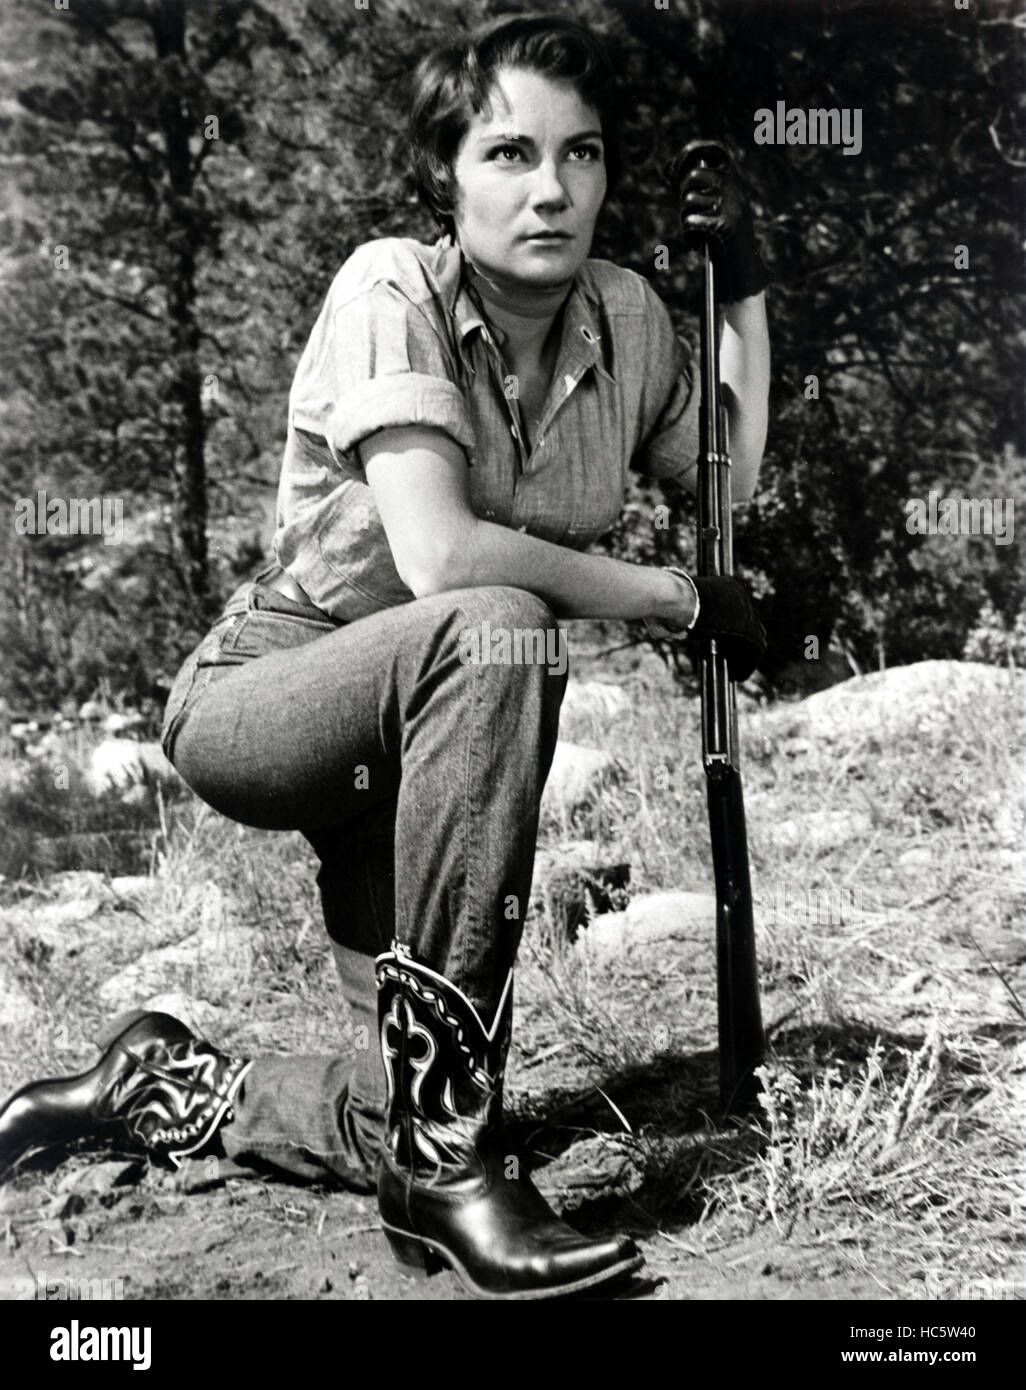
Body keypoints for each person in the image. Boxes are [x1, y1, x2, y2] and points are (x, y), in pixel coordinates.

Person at [0, 12, 769, 1299]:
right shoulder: (388, 288)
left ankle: (160, 1083)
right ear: (444, 175)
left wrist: (742, 286)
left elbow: (728, 476)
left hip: (425, 759)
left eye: (582, 157)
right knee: (504, 622)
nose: (552, 189)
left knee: (415, 1095)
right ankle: (451, 1172)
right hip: (276, 695)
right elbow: (445, 561)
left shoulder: (627, 316)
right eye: (510, 153)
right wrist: (670, 598)